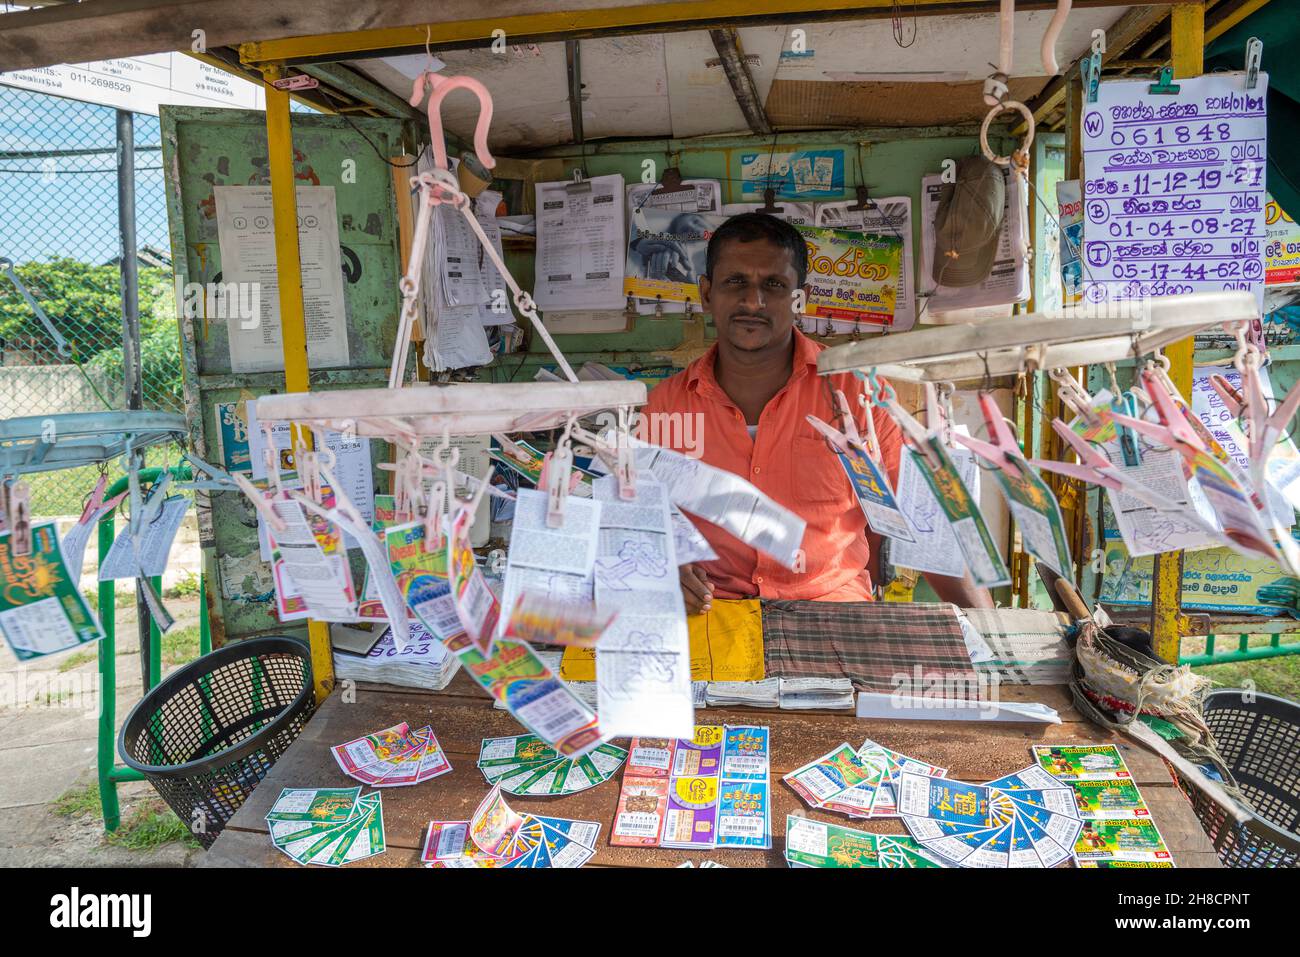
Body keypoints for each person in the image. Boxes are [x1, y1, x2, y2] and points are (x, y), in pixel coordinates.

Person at [639, 212, 993, 614]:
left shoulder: (857, 392)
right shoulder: (666, 405)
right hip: (712, 612)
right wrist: (665, 569)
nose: (753, 302)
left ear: (799, 298)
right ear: (707, 293)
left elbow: (929, 527)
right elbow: (640, 525)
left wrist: (992, 637)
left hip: (832, 606)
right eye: (735, 282)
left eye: (773, 285)